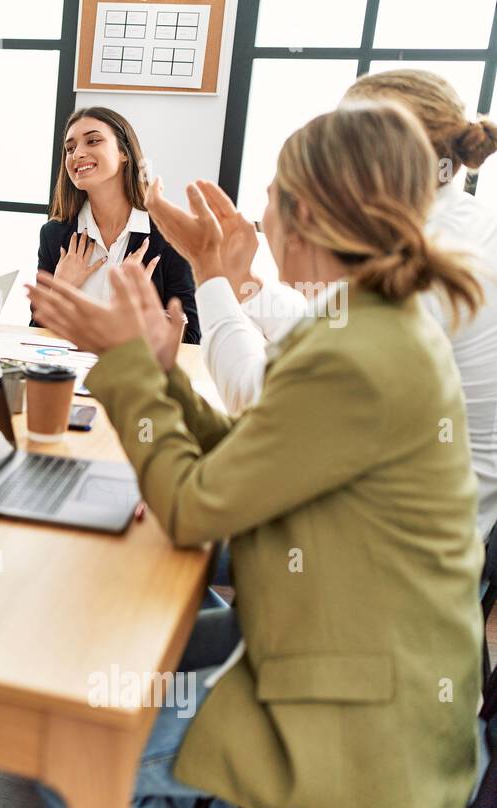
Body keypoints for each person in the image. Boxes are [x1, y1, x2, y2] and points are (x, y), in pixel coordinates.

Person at [27, 102, 484, 808]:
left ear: (312, 215)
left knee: (73, 727)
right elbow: (240, 454)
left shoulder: (356, 350)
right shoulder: (367, 321)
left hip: (352, 688)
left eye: (272, 193)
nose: (257, 211)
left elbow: (193, 508)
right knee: (133, 637)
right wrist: (163, 371)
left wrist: (125, 365)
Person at [187, 69, 497, 539]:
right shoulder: (459, 224)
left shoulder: (425, 258)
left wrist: (208, 274)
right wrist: (245, 283)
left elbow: (260, 401)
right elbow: (332, 328)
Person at [37, 106, 199, 342]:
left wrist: (137, 308)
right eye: (70, 148)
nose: (77, 154)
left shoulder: (169, 234)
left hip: (136, 375)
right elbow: (36, 332)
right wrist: (60, 289)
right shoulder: (54, 235)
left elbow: (192, 338)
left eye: (93, 141)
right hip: (67, 373)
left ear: (124, 153)